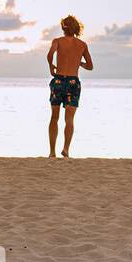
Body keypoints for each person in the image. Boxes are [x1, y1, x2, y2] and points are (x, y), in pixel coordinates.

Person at [46, 15, 93, 158]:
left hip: (59, 81)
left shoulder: (57, 41)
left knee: (54, 117)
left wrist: (51, 66)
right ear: (76, 28)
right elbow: (90, 66)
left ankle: (52, 152)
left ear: (63, 27)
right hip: (73, 82)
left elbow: (49, 55)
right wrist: (79, 63)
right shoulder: (82, 45)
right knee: (69, 119)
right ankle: (66, 149)